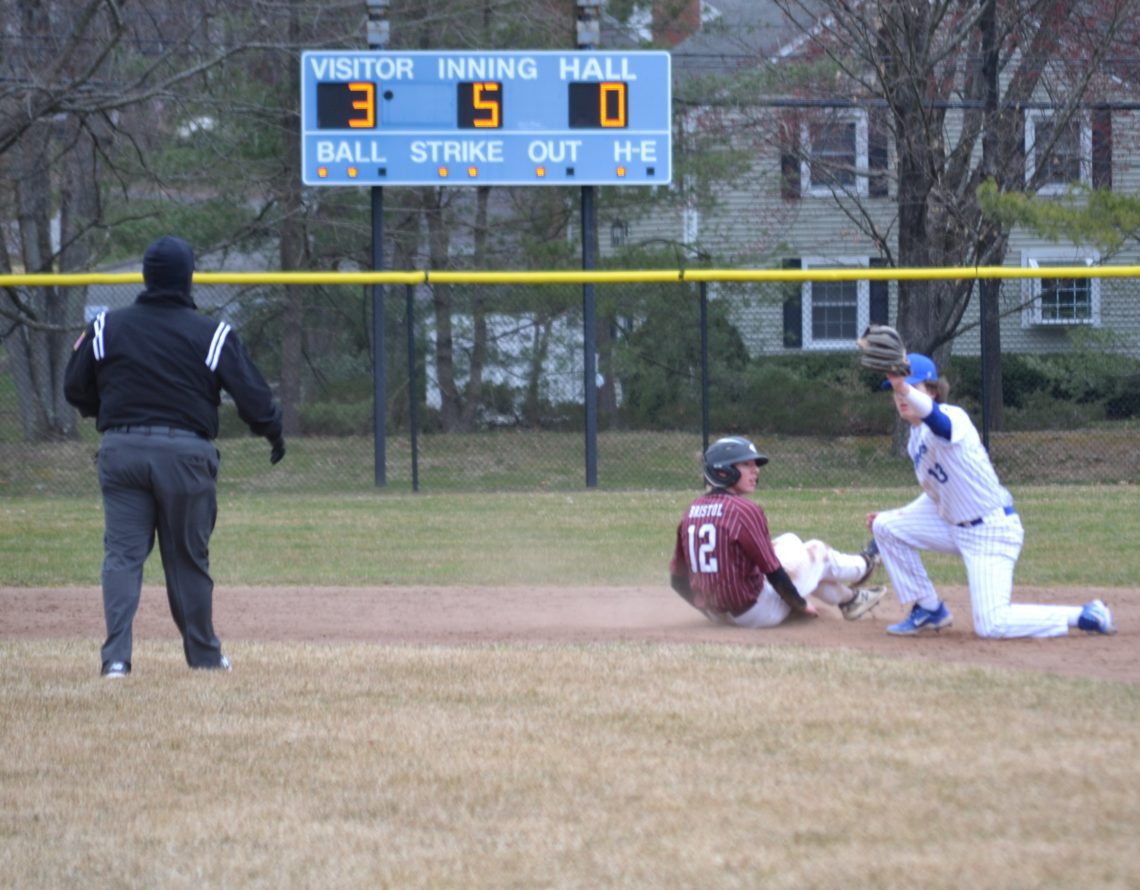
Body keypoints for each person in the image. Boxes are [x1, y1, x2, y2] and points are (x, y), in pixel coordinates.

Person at [64, 235, 286, 678]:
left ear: (145, 277)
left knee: (123, 556)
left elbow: (74, 386)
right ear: (188, 278)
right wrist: (272, 432)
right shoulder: (211, 333)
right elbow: (253, 397)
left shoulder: (108, 326)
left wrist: (101, 410)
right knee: (186, 558)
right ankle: (203, 658)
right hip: (186, 455)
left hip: (122, 450)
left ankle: (116, 661)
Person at [869, 353, 1116, 638]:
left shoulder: (951, 417)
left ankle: (1085, 615)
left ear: (933, 391)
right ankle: (929, 609)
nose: (901, 397)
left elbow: (936, 420)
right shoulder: (915, 440)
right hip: (954, 525)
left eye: (911, 389)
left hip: (990, 531)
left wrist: (904, 387)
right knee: (884, 526)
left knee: (992, 624)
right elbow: (938, 494)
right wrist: (897, 517)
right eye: (896, 391)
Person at [669, 436, 883, 628]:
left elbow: (677, 580)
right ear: (723, 470)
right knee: (816, 551)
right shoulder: (744, 511)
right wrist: (799, 605)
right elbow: (773, 571)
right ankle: (866, 563)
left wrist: (708, 612)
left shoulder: (691, 512)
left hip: (718, 614)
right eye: (746, 464)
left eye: (755, 464)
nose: (756, 470)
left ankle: (850, 599)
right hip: (755, 613)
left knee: (788, 542)